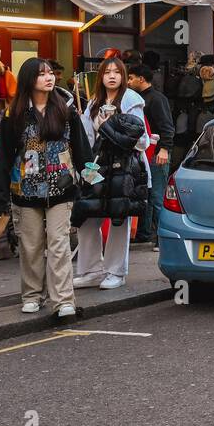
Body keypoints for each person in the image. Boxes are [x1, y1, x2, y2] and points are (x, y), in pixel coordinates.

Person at [0, 59, 92, 320]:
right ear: (28, 79)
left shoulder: (66, 110)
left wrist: (93, 181)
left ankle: (63, 300)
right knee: (30, 245)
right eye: (41, 74)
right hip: (24, 190)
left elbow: (82, 149)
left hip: (62, 188)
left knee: (59, 244)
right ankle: (32, 295)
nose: (49, 78)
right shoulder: (13, 114)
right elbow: (3, 156)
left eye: (50, 73)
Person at [74, 56, 150, 290]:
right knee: (87, 216)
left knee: (119, 217)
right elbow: (87, 136)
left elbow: (141, 141)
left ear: (124, 76)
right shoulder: (94, 101)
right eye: (107, 72)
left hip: (123, 167)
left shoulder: (131, 100)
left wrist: (109, 126)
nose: (112, 76)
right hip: (97, 165)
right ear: (101, 76)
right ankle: (90, 270)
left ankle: (116, 271)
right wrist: (84, 167)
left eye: (117, 72)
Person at [128, 63, 175, 253]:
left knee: (157, 196)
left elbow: (167, 127)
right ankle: (144, 233)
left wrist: (164, 149)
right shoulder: (136, 98)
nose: (129, 81)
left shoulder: (157, 99)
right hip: (143, 154)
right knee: (145, 194)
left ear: (141, 78)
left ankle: (163, 238)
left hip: (157, 153)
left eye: (131, 78)